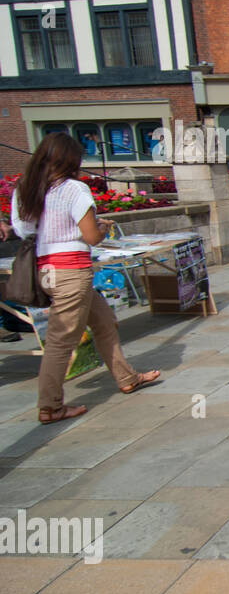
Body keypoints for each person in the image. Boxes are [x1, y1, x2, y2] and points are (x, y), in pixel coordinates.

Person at [10, 134, 160, 424]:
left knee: (104, 321)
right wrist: (100, 228)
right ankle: (50, 406)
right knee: (60, 341)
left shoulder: (26, 189)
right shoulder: (73, 188)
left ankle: (127, 377)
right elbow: (91, 236)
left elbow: (24, 229)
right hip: (71, 272)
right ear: (71, 160)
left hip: (46, 269)